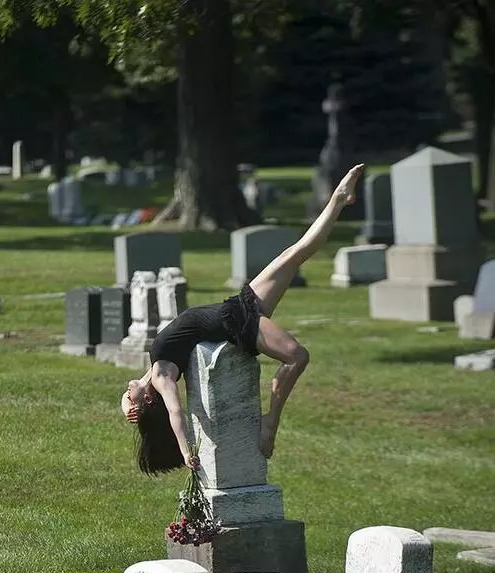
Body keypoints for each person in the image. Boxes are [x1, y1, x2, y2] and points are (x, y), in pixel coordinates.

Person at [121, 164, 365, 475]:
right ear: (148, 401)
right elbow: (175, 412)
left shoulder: (150, 372)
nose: (127, 392)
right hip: (238, 323)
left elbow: (129, 401)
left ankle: (338, 200)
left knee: (295, 253)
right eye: (133, 398)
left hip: (236, 307)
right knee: (297, 357)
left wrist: (130, 404)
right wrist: (185, 451)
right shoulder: (161, 377)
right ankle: (270, 422)